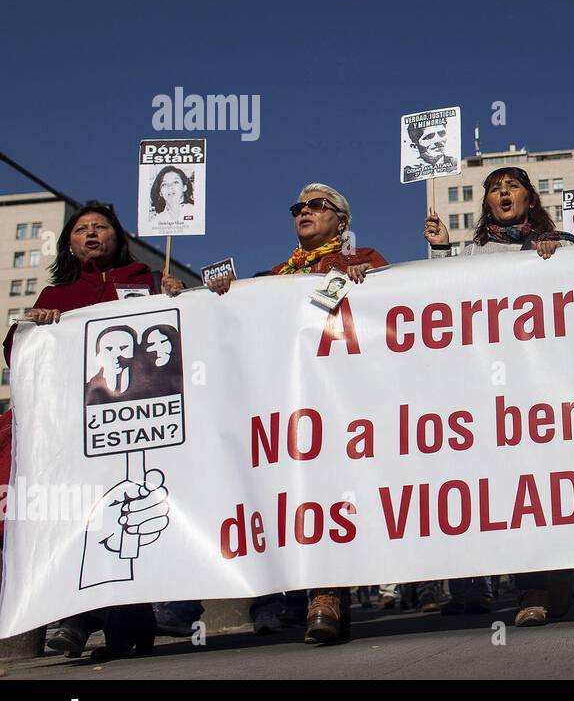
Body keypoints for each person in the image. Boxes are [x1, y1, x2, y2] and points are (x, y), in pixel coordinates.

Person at [0, 201, 184, 658]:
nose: (91, 234)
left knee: (135, 511)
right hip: (78, 429)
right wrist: (36, 331)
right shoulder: (54, 298)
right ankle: (86, 616)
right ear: (69, 244)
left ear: (118, 238)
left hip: (141, 424)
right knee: (88, 518)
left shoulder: (147, 280)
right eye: (81, 230)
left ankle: (124, 617)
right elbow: (17, 357)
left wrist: (177, 298)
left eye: (101, 227)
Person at [206, 182, 387, 642]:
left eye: (316, 206)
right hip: (289, 403)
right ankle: (291, 597)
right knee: (295, 497)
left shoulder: (365, 260)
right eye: (298, 207)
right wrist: (224, 293)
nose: (303, 212)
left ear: (341, 221)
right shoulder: (274, 276)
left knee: (333, 494)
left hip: (343, 400)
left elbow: (394, 314)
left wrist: (377, 281)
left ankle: (327, 597)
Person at [423, 166, 574, 625]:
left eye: (512, 186)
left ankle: (562, 584)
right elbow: (439, 302)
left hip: (552, 390)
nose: (503, 192)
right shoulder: (470, 253)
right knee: (519, 490)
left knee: (556, 487)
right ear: (486, 203)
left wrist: (561, 258)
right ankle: (530, 589)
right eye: (494, 188)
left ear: (531, 198)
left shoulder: (563, 244)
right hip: (499, 395)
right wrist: (439, 250)